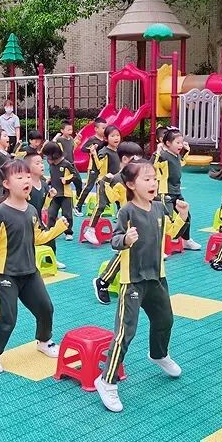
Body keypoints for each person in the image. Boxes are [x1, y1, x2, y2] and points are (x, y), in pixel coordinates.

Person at [95, 160, 189, 413]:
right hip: (133, 280)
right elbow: (114, 240)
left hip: (157, 277)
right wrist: (125, 239)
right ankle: (107, 381)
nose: (153, 183)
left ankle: (158, 354)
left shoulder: (159, 208)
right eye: (146, 179)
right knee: (126, 332)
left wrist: (181, 216)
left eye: (154, 179)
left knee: (165, 320)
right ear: (130, 184)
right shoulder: (126, 211)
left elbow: (170, 232)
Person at [0, 158, 67, 374]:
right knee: (7, 318)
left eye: (28, 176)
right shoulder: (1, 213)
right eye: (19, 177)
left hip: (29, 272)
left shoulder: (32, 210)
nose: (26, 180)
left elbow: (38, 237)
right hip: (6, 274)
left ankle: (44, 341)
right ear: (6, 184)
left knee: (45, 308)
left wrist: (59, 229)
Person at [92, 142, 145, 304]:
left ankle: (131, 281)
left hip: (140, 218)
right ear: (125, 160)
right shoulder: (117, 179)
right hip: (127, 221)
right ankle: (103, 281)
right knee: (125, 252)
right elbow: (112, 198)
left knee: (134, 252)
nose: (140, 164)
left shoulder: (136, 177)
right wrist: (105, 183)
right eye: (136, 160)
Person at [153, 128, 201, 250]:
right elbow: (152, 165)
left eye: (181, 142)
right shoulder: (163, 155)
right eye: (177, 142)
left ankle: (186, 240)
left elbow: (182, 162)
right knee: (166, 219)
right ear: (168, 143)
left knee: (186, 215)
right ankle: (159, 246)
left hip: (176, 192)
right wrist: (157, 153)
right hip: (165, 192)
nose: (180, 145)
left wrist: (186, 150)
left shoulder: (176, 155)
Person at [82, 125, 122, 245]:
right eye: (113, 136)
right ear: (106, 138)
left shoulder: (118, 151)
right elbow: (99, 167)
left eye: (118, 135)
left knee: (122, 204)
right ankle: (90, 229)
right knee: (101, 205)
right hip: (104, 182)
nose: (116, 138)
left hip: (117, 183)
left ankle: (122, 230)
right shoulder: (104, 152)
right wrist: (94, 153)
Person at [42, 141, 77, 241]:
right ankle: (50, 231)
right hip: (54, 194)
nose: (47, 159)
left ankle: (68, 232)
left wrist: (66, 180)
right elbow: (53, 176)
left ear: (54, 155)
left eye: (48, 156)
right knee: (51, 213)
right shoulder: (52, 165)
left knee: (67, 214)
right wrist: (49, 181)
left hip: (65, 194)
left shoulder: (66, 164)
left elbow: (74, 175)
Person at [74, 118, 107, 215]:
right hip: (93, 167)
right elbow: (83, 148)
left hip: (102, 166)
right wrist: (92, 149)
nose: (105, 130)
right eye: (103, 128)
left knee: (102, 187)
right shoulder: (93, 139)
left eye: (106, 128)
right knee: (88, 186)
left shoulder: (106, 140)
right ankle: (78, 206)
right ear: (96, 129)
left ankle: (100, 207)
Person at [52, 120, 83, 198]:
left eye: (71, 130)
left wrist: (78, 140)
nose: (70, 131)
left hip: (71, 163)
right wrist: (55, 138)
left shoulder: (71, 139)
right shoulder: (60, 140)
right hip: (63, 164)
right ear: (62, 130)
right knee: (60, 181)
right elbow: (53, 146)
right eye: (68, 130)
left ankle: (78, 196)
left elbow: (72, 148)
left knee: (78, 180)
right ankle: (57, 196)